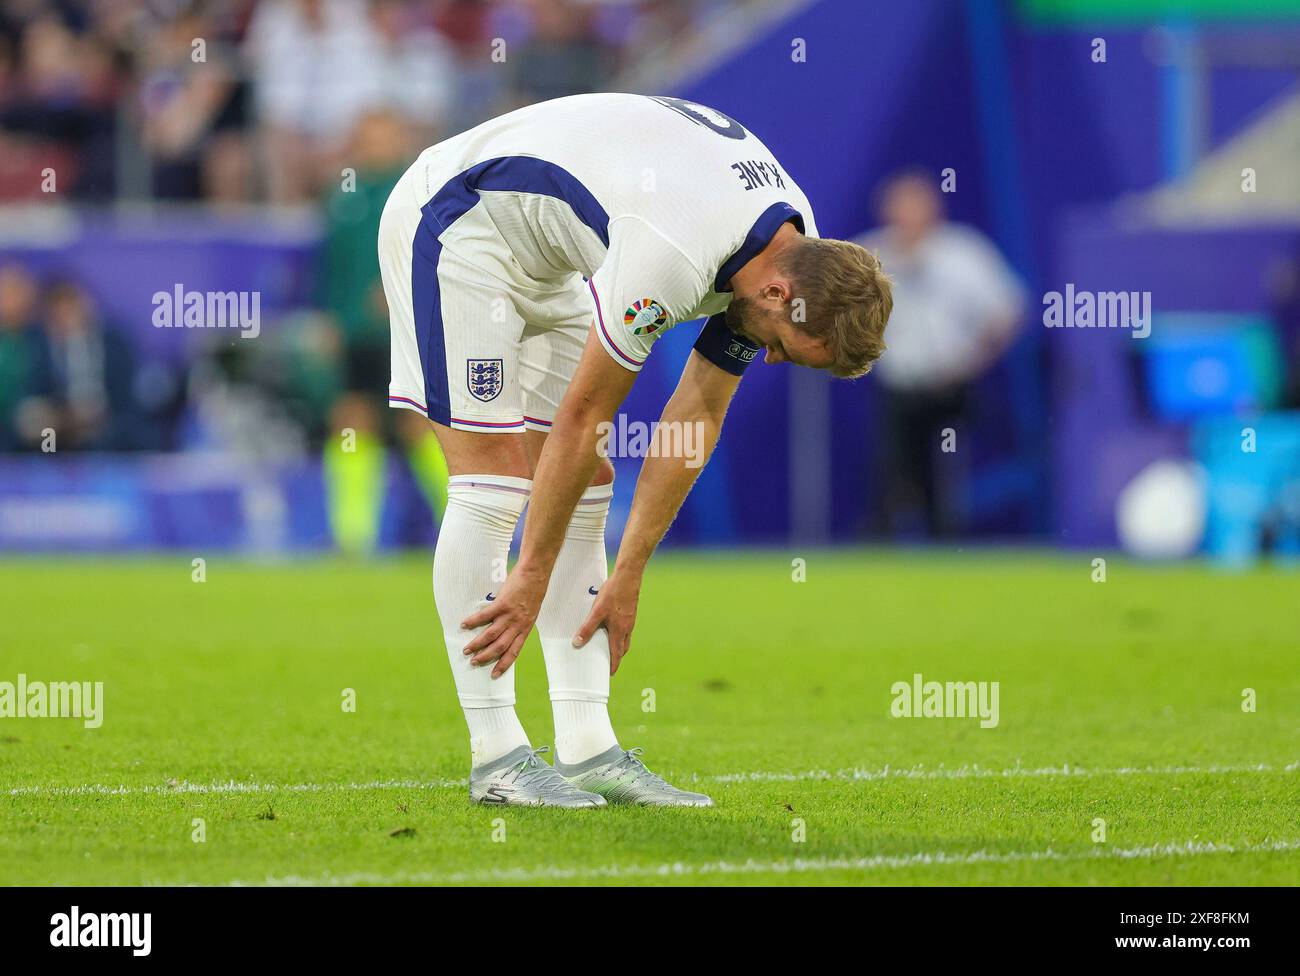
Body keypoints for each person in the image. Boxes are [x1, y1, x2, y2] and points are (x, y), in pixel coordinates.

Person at [378, 93, 892, 807]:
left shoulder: (792, 255)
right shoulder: (677, 253)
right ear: (778, 293)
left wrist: (631, 568)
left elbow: (698, 412)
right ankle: (495, 755)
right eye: (780, 347)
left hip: (550, 253)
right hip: (458, 221)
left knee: (588, 477)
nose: (768, 359)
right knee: (494, 478)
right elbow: (585, 414)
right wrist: (528, 574)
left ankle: (589, 750)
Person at [857, 171, 1024, 538]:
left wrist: (975, 361)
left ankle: (947, 541)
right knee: (894, 468)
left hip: (950, 385)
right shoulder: (867, 256)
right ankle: (882, 544)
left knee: (945, 466)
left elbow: (1007, 311)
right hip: (898, 387)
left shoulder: (963, 253)